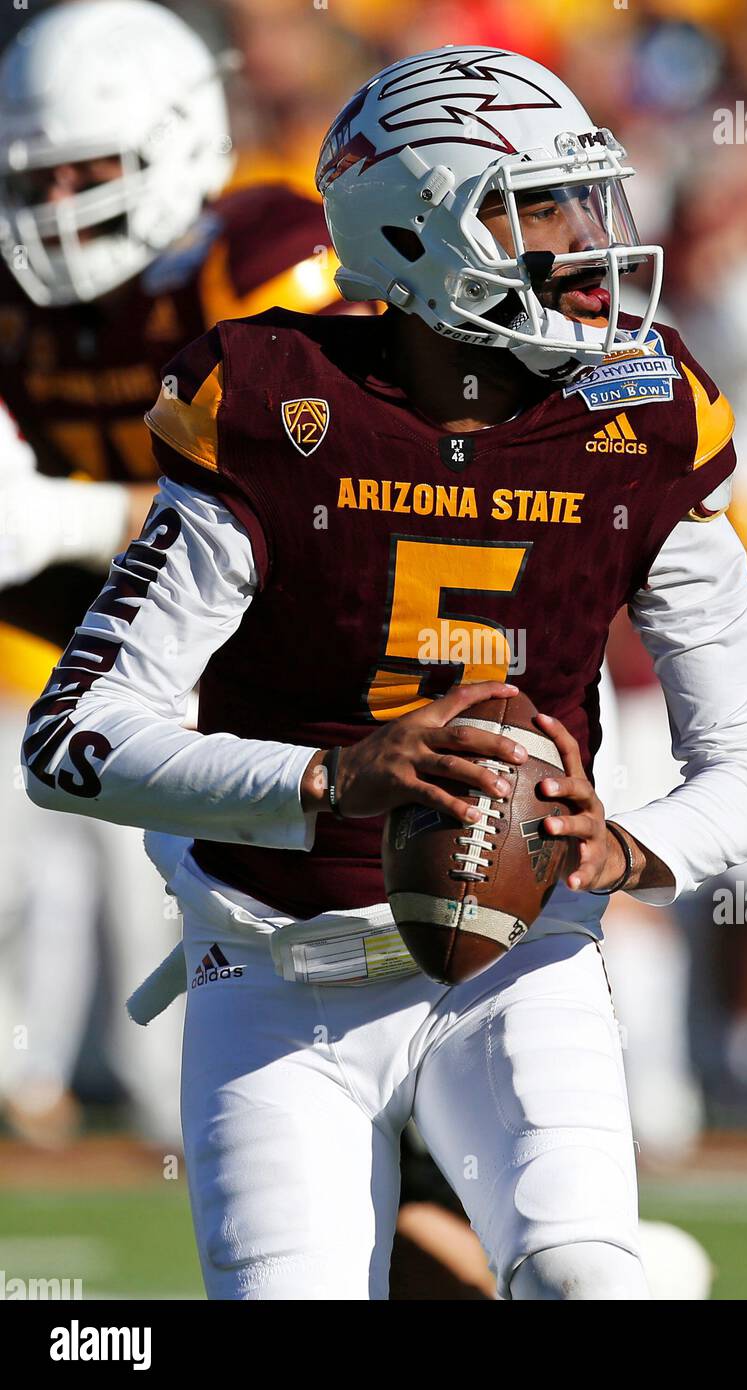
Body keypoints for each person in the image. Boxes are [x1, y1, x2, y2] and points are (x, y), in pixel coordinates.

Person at [23, 45, 747, 1300]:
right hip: (274, 966)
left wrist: (629, 850)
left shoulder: (642, 412)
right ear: (413, 229)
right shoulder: (280, 402)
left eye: (585, 200)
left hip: (521, 956)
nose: (582, 241)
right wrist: (332, 777)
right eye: (534, 206)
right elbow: (73, 739)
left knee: (583, 1281)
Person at [0, 0, 353, 1147]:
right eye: (36, 179)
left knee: (286, 1063)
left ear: (179, 137)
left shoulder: (268, 264)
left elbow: (325, 512)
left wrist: (78, 515)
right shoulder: (23, 311)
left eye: (87, 172)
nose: (58, 208)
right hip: (116, 684)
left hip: (288, 696)